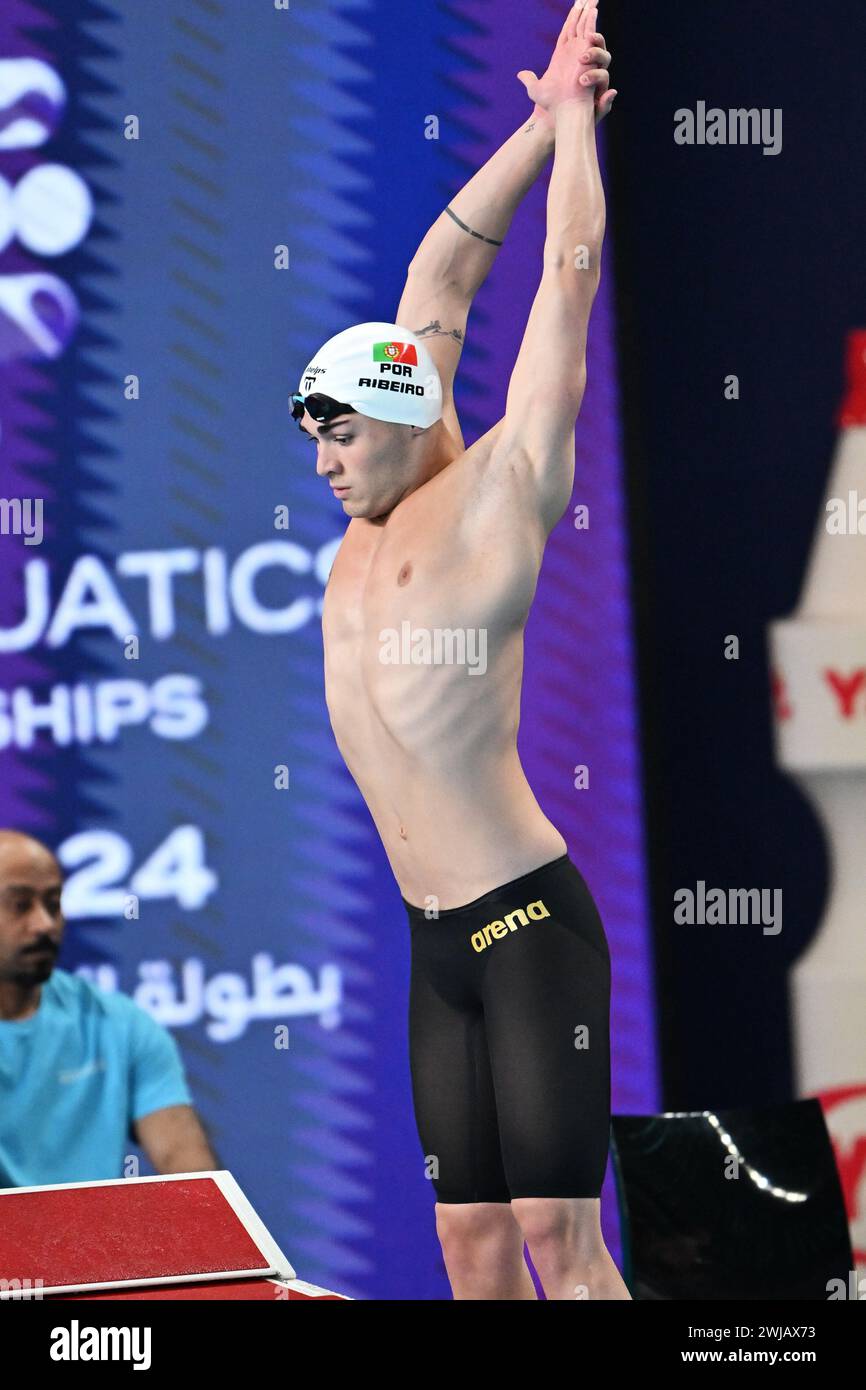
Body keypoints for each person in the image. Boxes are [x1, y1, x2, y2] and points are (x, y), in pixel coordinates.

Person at [293, 1, 630, 1300]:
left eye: (341, 438)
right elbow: (439, 276)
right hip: (434, 942)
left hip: (525, 923)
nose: (323, 466)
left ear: (408, 410)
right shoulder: (372, 496)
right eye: (314, 442)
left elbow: (562, 274)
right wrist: (533, 124)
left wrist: (581, 136)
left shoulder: (500, 487)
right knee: (469, 1247)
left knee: (559, 1241)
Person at [0, 829, 218, 1187]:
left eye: (53, 903)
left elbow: (192, 1178)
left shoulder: (119, 1025)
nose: (44, 924)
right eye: (20, 905)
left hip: (96, 1240)